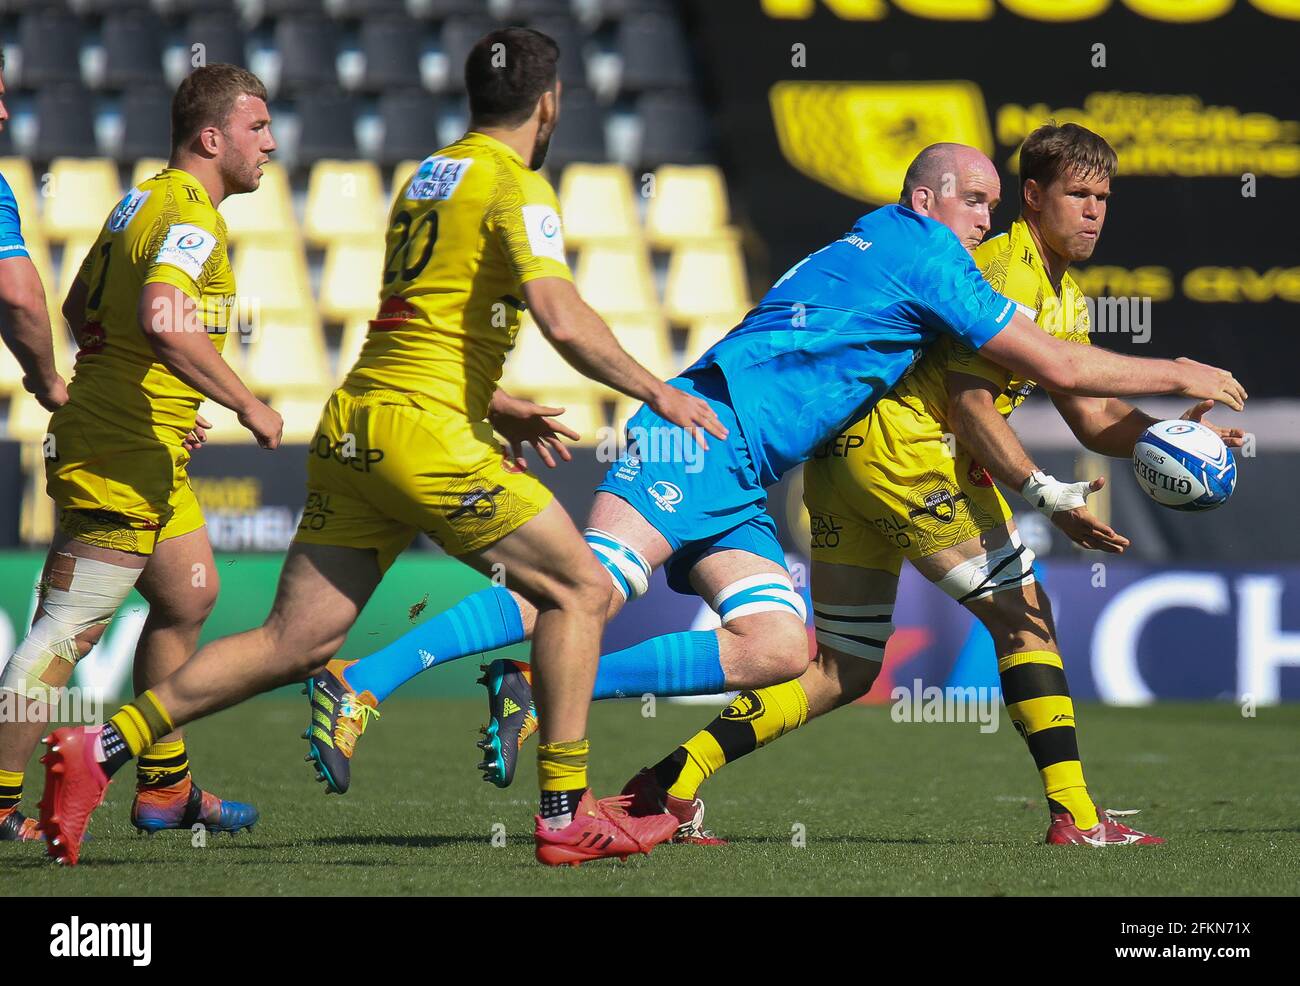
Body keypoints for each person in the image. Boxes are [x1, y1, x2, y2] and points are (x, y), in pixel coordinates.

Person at [291, 140, 1247, 837]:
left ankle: (543, 690)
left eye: (992, 206)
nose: (984, 219)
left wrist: (1163, 426)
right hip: (708, 431)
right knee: (584, 582)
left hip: (756, 469)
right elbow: (1039, 365)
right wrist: (1175, 372)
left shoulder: (896, 245)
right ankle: (362, 679)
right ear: (925, 199)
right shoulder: (929, 256)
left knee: (785, 649)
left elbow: (1068, 388)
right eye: (974, 201)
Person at [38, 27, 721, 867]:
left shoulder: (428, 178)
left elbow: (418, 322)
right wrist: (658, 390)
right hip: (425, 434)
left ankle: (97, 750)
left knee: (296, 641)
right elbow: (561, 314)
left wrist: (493, 399)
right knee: (581, 589)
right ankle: (563, 814)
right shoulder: (515, 187)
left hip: (357, 420)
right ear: (550, 105)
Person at [614, 122, 1247, 846]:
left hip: (847, 465)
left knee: (843, 666)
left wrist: (1170, 437)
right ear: (1032, 198)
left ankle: (668, 781)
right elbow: (972, 405)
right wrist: (1047, 484)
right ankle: (1075, 815)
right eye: (1077, 194)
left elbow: (1095, 414)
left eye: (1103, 196)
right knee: (1026, 619)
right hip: (907, 457)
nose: (1094, 211)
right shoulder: (1004, 268)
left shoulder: (1061, 296)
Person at [1, 63, 281, 842]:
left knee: (189, 596)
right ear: (211, 136)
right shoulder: (191, 217)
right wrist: (245, 402)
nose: (272, 144)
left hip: (147, 442)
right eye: (258, 129)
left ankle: (165, 784)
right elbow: (162, 314)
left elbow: (80, 304)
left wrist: (158, 393)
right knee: (66, 634)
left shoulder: (138, 202)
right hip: (122, 450)